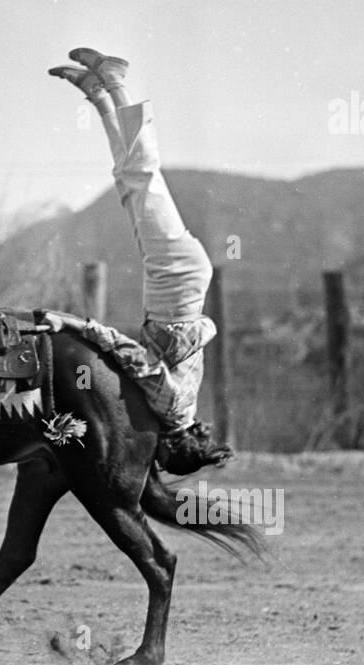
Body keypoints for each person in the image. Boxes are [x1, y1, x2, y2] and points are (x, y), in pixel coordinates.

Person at [47, 46, 231, 475]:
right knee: (141, 176)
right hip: (177, 278)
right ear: (173, 447)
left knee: (128, 180)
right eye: (162, 460)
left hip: (176, 282)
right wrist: (71, 323)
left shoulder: (178, 409)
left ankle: (98, 92)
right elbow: (128, 352)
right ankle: (114, 81)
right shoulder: (171, 405)